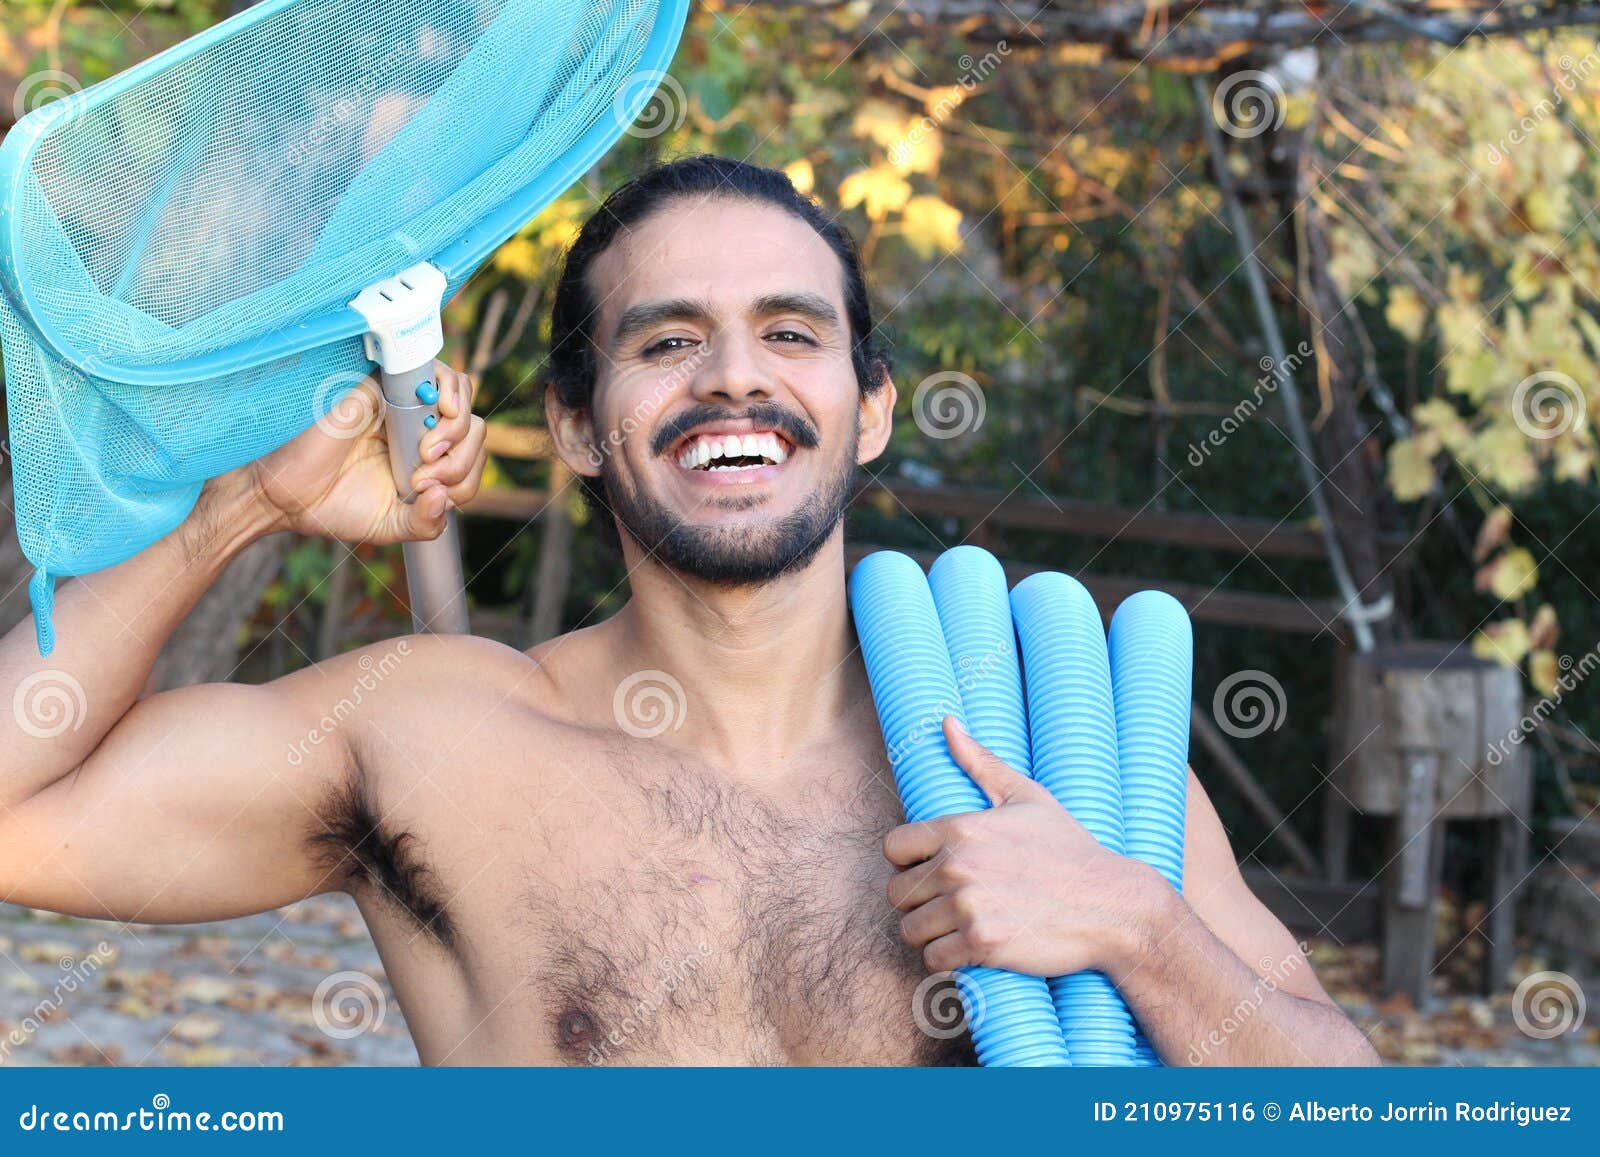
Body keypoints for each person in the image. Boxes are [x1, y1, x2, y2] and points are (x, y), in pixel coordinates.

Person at [0, 154, 1378, 1066]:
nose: (734, 379)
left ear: (871, 406)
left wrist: (1141, 932)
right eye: (666, 342)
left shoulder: (1045, 747)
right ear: (580, 425)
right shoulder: (435, 735)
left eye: (792, 332)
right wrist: (240, 507)